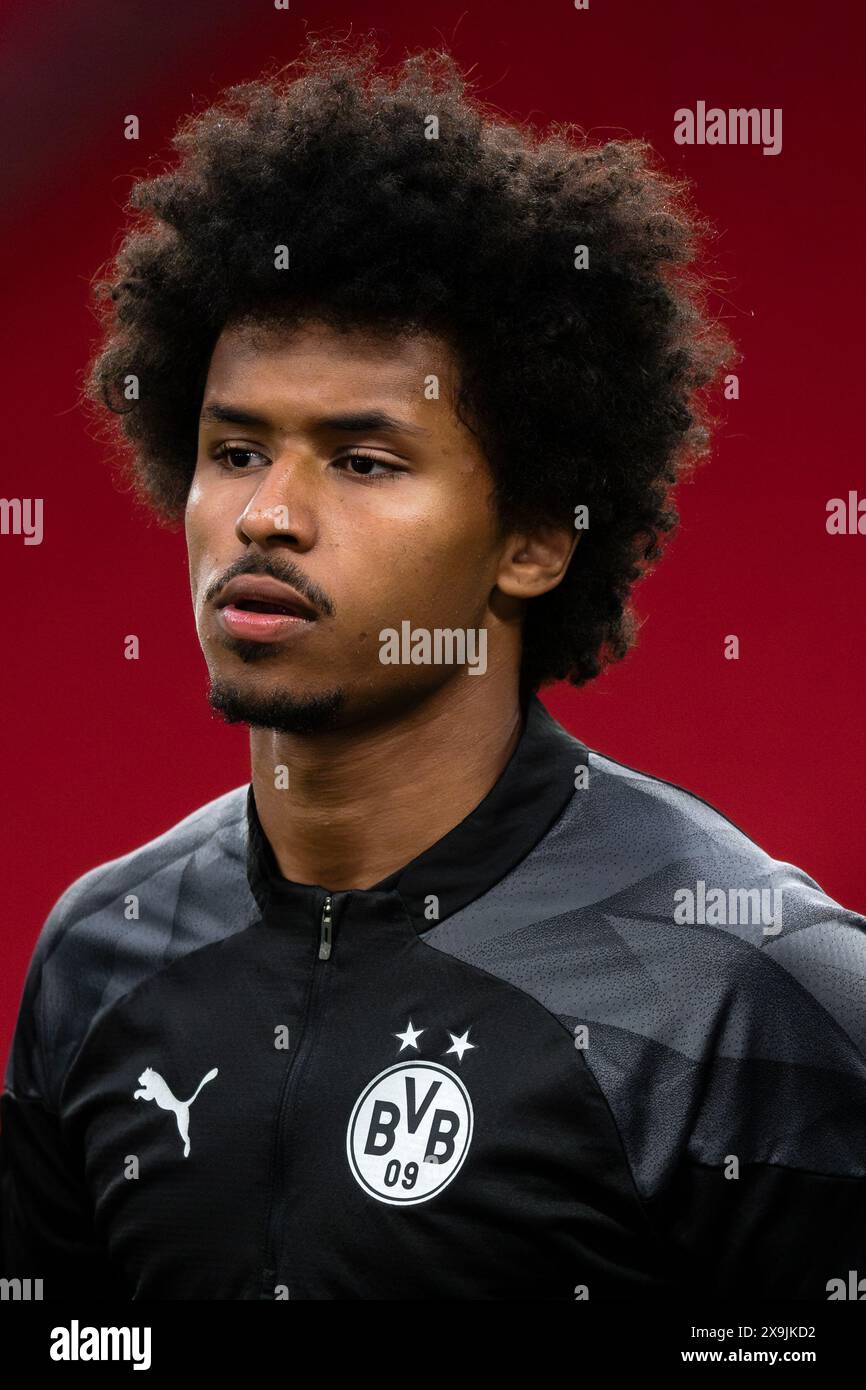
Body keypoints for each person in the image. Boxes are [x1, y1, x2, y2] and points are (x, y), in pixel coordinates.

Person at [3, 35, 864, 1301]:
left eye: (361, 460)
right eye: (236, 449)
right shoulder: (98, 955)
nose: (267, 516)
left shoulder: (742, 987)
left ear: (528, 540)